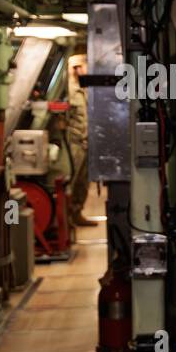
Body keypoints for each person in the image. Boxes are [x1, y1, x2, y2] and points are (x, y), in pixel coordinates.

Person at [66, 55, 95, 226]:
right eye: (74, 67)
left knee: (83, 183)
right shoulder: (69, 90)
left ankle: (77, 213)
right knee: (71, 180)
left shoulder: (86, 88)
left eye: (81, 66)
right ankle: (65, 218)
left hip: (86, 142)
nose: (78, 70)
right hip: (74, 143)